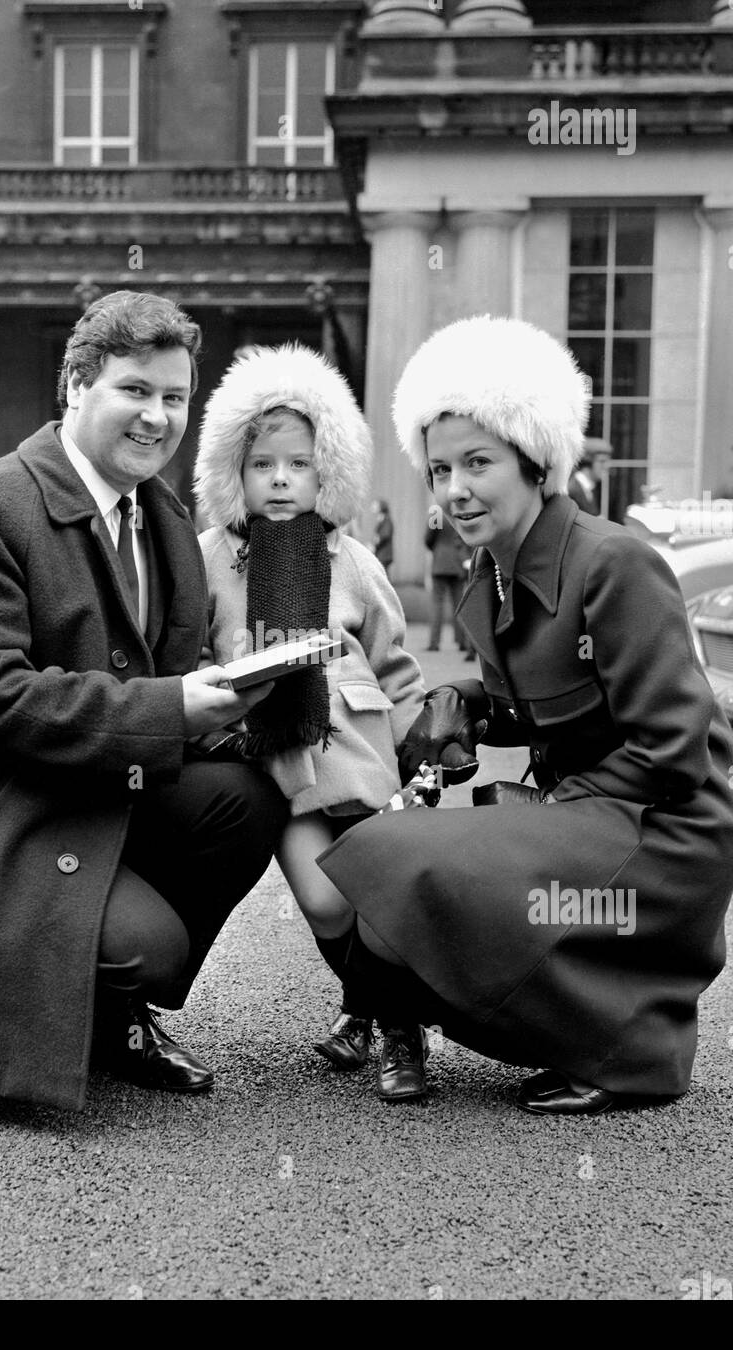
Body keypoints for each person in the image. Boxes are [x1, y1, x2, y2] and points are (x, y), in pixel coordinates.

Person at [0, 291, 289, 1110]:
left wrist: (242, 706)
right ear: (75, 386)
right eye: (134, 391)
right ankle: (11, 1014)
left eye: (175, 397)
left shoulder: (166, 520)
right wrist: (168, 708)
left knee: (246, 803)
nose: (157, 417)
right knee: (147, 946)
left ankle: (106, 1011)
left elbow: (164, 683)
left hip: (81, 782)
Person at [318, 316, 733, 1111]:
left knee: (417, 856)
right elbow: (540, 706)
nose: (454, 490)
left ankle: (632, 1056)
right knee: (394, 847)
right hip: (599, 810)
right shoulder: (492, 578)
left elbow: (673, 747)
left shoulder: (612, 561)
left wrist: (545, 806)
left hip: (671, 822)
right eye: (440, 468)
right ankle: (581, 1035)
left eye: (478, 463)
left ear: (537, 460)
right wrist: (468, 703)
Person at [192, 344, 425, 1073]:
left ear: (329, 470)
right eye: (263, 465)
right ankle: (369, 1007)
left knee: (383, 907)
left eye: (299, 464)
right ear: (234, 472)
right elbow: (189, 656)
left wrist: (427, 745)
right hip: (280, 762)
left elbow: (396, 665)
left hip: (360, 756)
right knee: (327, 905)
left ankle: (399, 1032)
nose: (282, 480)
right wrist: (224, 690)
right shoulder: (205, 558)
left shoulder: (354, 560)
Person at [423, 514, 473, 655]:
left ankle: (434, 642)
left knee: (437, 604)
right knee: (459, 603)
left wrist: (437, 548)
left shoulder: (436, 512)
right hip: (458, 562)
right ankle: (462, 642)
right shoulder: (458, 509)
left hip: (440, 561)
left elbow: (429, 538)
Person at [568, 435, 610, 516]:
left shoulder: (588, 489)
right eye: (602, 461)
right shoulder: (572, 490)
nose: (606, 466)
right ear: (588, 462)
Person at [371, 498, 394, 575]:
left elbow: (385, 535)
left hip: (384, 554)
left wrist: (374, 545)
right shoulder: (381, 520)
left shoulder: (386, 519)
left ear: (380, 508)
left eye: (375, 505)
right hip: (381, 553)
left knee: (383, 576)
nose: (372, 507)